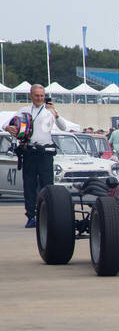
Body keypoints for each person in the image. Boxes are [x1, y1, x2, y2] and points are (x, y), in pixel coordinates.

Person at [5, 84, 71, 228]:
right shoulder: (24, 111)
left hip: (45, 153)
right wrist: (8, 128)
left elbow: (63, 127)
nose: (39, 98)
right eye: (36, 95)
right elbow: (6, 124)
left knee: (47, 185)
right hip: (29, 152)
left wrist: (54, 111)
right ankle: (31, 216)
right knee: (29, 185)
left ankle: (48, 214)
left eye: (42, 96)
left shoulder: (50, 112)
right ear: (31, 96)